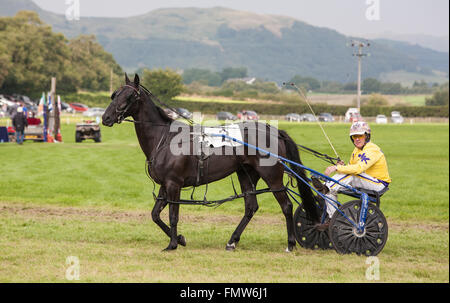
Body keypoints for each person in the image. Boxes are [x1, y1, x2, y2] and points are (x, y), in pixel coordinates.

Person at [312, 121, 391, 230]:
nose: (357, 139)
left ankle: (325, 186)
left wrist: (336, 168)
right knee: (331, 191)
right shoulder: (356, 150)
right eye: (354, 137)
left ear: (366, 136)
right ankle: (333, 219)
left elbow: (358, 169)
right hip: (365, 180)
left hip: (378, 184)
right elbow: (351, 168)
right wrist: (342, 167)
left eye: (360, 136)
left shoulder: (372, 149)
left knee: (352, 175)